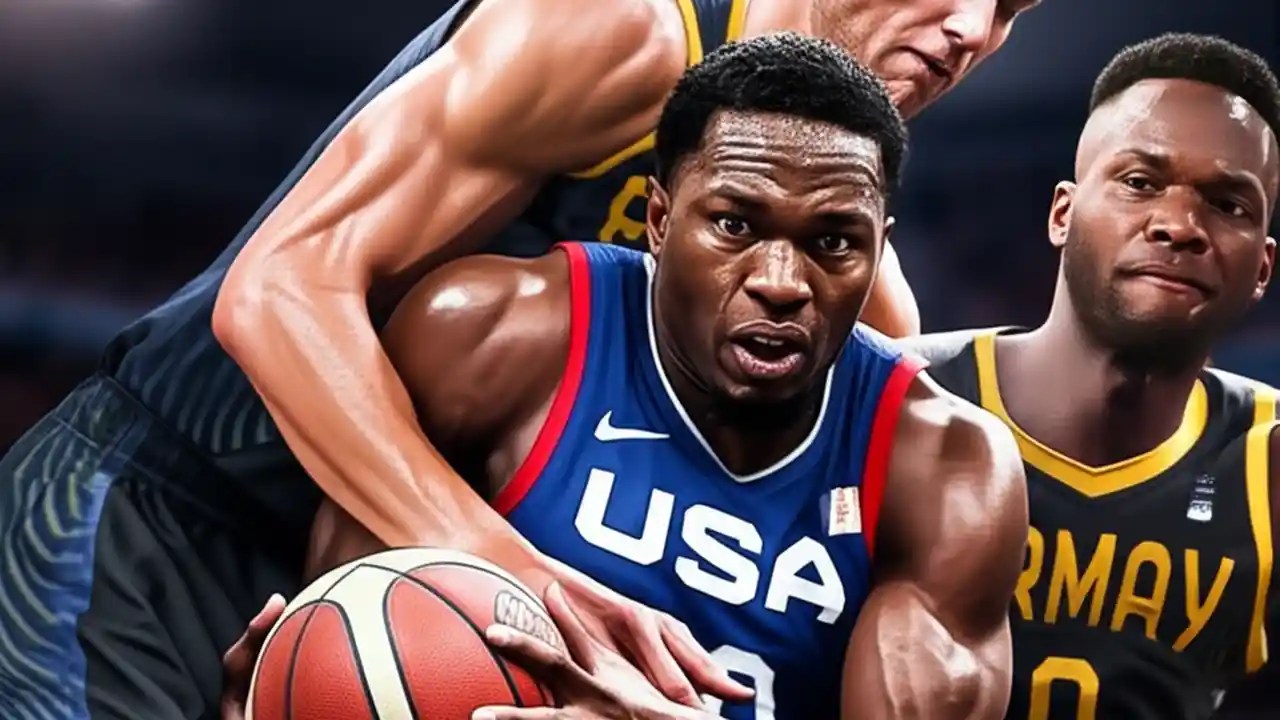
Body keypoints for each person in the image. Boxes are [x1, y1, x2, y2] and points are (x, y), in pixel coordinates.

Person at [0, 1, 1043, 716]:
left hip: (355, 571)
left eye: (1008, 12)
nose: (969, 29)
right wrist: (514, 582)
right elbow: (279, 292)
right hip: (144, 515)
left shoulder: (864, 300)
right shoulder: (619, 28)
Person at [900, 32, 1280, 720]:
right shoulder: (899, 393)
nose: (1179, 224)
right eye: (1140, 182)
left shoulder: (1269, 461)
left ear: (1262, 267)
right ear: (1062, 214)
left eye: (1228, 204)